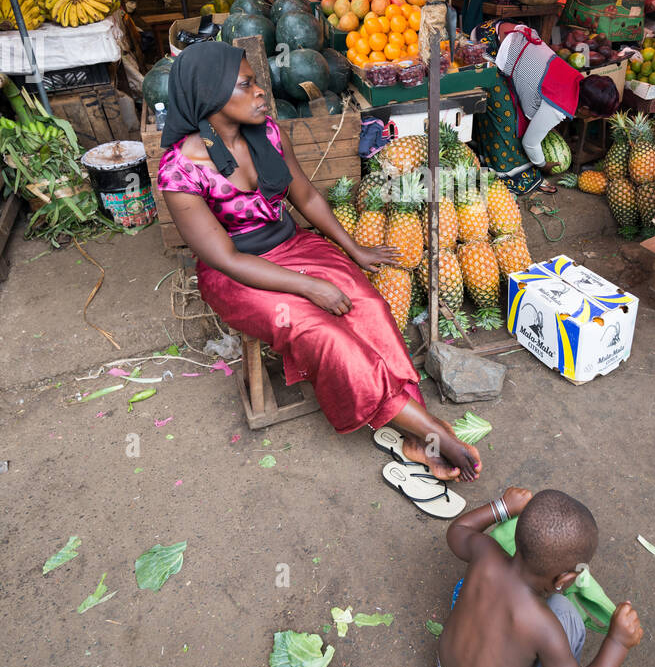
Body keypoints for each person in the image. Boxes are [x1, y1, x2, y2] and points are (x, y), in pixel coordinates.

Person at [157, 45, 481, 486]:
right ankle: (431, 434)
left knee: (367, 304)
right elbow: (227, 259)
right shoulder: (180, 171)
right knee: (321, 331)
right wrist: (308, 288)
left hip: (293, 245)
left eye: (256, 82)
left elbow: (305, 196)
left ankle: (413, 430)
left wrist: (355, 251)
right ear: (209, 96)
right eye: (246, 85)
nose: (260, 94)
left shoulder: (268, 133)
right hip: (238, 273)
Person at [437, 487, 643, 667]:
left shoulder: (484, 550)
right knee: (566, 616)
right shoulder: (544, 627)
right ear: (564, 580)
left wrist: (503, 506)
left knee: (478, 585)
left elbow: (457, 531)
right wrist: (618, 641)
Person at [471, 19, 616, 193]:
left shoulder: (576, 78)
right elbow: (530, 143)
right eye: (595, 115)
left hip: (497, 29)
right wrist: (543, 164)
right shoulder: (557, 107)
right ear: (585, 109)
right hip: (484, 46)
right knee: (506, 122)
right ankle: (504, 174)